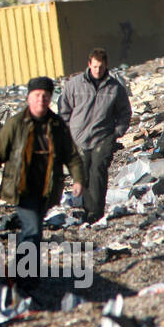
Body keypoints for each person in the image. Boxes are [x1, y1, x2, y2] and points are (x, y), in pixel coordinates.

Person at [0, 76, 84, 296]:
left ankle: (15, 271)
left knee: (31, 232)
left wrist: (78, 179)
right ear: (29, 98)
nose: (41, 100)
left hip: (46, 189)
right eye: (37, 95)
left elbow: (71, 154)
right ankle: (27, 279)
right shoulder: (16, 124)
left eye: (45, 96)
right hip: (22, 187)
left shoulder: (56, 125)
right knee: (33, 230)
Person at [59, 49, 132, 224]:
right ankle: (87, 210)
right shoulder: (74, 85)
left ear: (106, 66)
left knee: (98, 172)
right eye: (94, 66)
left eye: (100, 67)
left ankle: (96, 213)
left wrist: (117, 132)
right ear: (89, 65)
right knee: (83, 175)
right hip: (79, 138)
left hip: (103, 138)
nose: (97, 70)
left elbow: (125, 112)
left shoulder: (115, 88)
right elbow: (64, 108)